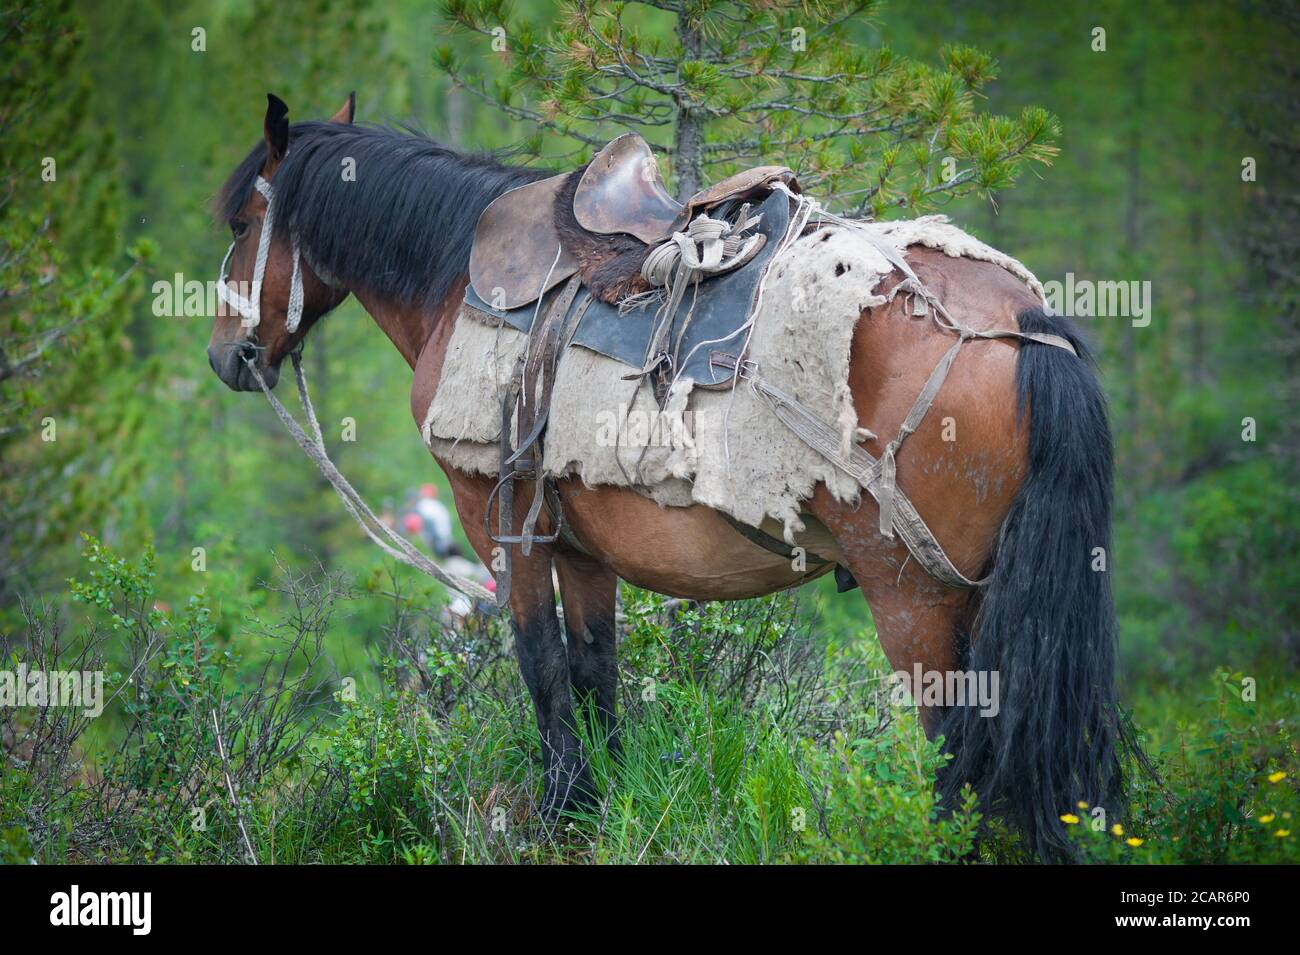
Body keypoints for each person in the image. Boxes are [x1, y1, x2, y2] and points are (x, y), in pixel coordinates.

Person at [407, 483, 460, 558]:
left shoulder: (423, 505)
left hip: (436, 541)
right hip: (447, 539)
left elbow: (429, 524)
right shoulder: (439, 505)